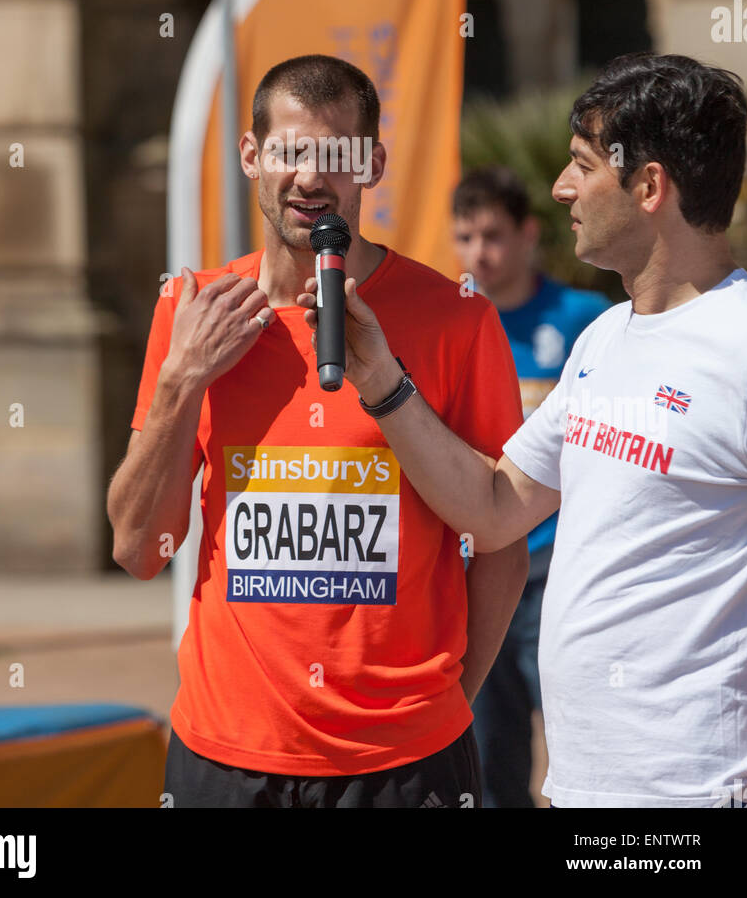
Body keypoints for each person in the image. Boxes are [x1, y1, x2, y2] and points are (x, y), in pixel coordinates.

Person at [300, 53, 747, 807]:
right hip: (584, 791)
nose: (560, 188)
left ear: (648, 187)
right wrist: (381, 379)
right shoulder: (606, 337)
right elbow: (495, 506)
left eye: (581, 165)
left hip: (698, 797)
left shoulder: (740, 343)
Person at [108, 54, 529, 808]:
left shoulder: (457, 320)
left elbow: (500, 541)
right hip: (227, 753)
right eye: (289, 151)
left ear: (372, 164)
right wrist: (182, 381)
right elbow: (140, 549)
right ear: (250, 156)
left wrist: (450, 702)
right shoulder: (193, 311)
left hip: (405, 760)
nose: (310, 177)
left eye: (335, 155)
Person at [451, 167, 611, 807]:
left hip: (557, 567)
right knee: (490, 754)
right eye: (463, 237)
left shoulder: (587, 321)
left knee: (578, 738)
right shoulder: (452, 323)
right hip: (478, 562)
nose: (477, 253)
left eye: (491, 235)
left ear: (528, 234)